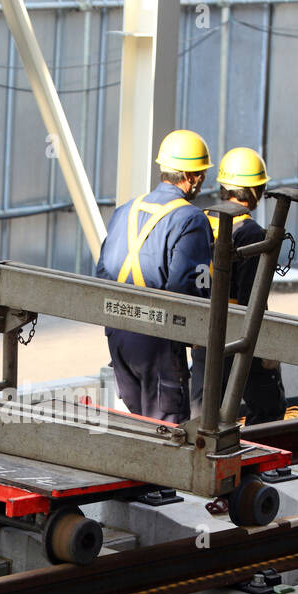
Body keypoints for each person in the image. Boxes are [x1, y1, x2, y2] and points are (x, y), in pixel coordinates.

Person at [94, 129, 213, 423]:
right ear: (192, 177)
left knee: (141, 424)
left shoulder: (125, 210)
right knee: (167, 431)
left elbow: (102, 273)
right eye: (202, 174)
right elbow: (188, 289)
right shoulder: (191, 219)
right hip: (157, 343)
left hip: (119, 337)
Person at [188, 146, 287, 423]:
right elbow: (252, 297)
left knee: (202, 416)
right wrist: (265, 349)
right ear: (257, 191)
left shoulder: (201, 221)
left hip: (202, 332)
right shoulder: (251, 233)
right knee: (268, 408)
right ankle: (256, 465)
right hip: (238, 331)